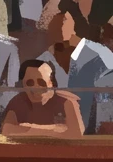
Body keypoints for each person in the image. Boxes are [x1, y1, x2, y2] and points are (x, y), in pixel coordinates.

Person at [35, 0, 113, 130]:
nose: (57, 26)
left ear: (74, 23)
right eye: (51, 22)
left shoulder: (100, 57)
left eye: (64, 20)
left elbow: (107, 108)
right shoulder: (42, 61)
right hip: (55, 137)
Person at [0, 55, 84, 131]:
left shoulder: (67, 102)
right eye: (30, 83)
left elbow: (76, 134)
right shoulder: (17, 102)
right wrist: (55, 129)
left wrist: (25, 128)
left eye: (41, 82)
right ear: (23, 85)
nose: (36, 87)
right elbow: (7, 130)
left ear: (51, 83)